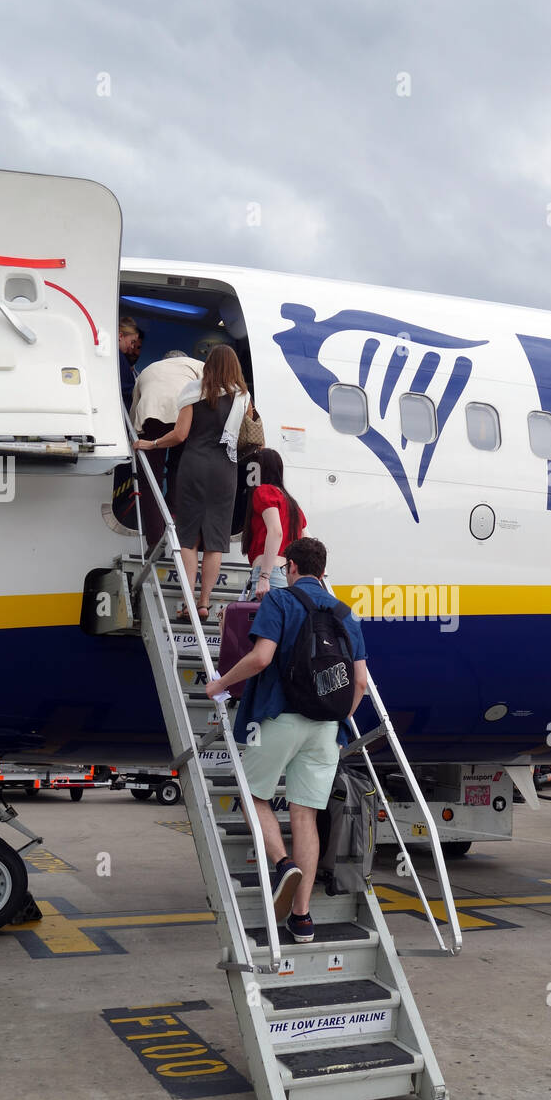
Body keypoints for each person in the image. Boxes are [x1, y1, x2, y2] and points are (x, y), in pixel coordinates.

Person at [205, 537, 368, 942]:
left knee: (254, 797)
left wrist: (220, 684)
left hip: (279, 718)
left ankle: (282, 866)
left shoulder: (280, 601)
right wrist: (338, 716)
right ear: (323, 571)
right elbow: (360, 682)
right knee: (306, 816)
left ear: (291, 566)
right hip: (327, 728)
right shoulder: (346, 614)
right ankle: (302, 918)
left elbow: (261, 657)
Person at [134, 343, 250, 621]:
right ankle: (204, 603)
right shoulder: (242, 397)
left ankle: (187, 600)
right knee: (215, 541)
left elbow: (180, 435)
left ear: (208, 364)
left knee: (189, 538)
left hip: (195, 465)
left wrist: (152, 443)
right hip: (226, 470)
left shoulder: (193, 390)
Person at [130, 350, 205, 549]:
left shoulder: (147, 370)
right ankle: (174, 516)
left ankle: (155, 540)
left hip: (151, 417)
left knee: (150, 481)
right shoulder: (196, 364)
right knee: (179, 470)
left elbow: (134, 407)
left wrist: (137, 438)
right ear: (183, 357)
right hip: (185, 415)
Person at [239, 448, 307, 600]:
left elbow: (276, 531)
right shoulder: (292, 503)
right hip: (288, 576)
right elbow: (307, 541)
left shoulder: (264, 491)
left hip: (270, 574)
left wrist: (264, 577)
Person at [118, 316, 140, 411]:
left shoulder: (118, 357)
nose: (132, 347)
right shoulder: (119, 357)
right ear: (120, 336)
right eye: (132, 342)